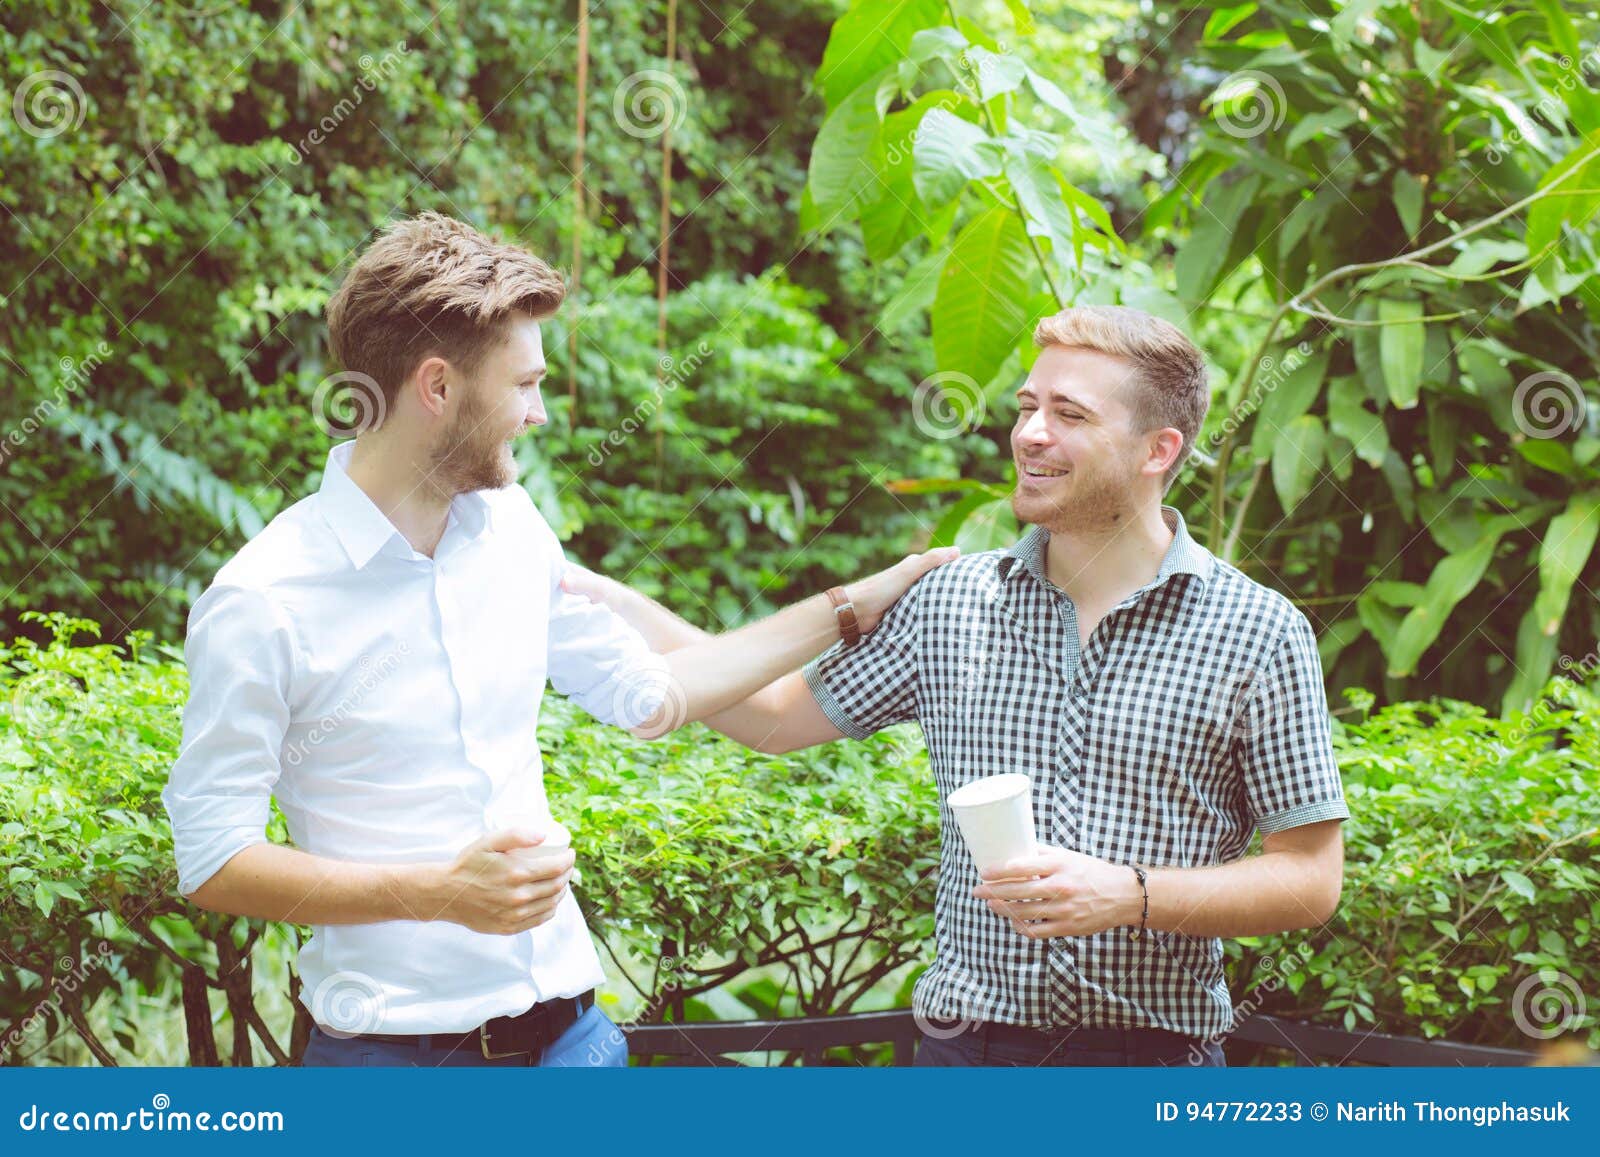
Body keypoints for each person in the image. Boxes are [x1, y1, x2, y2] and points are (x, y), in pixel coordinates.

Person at [161, 212, 955, 1068]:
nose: (539, 413)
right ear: (437, 387)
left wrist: (848, 604)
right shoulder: (265, 598)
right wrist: (438, 894)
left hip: (574, 1042)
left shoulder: (511, 528)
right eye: (526, 383)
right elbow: (213, 857)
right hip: (394, 1064)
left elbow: (649, 693)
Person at [568, 305, 1349, 1067]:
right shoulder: (951, 601)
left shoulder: (1257, 629)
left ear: (1158, 450)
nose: (1030, 433)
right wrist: (616, 603)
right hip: (965, 1053)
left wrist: (1130, 893)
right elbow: (771, 719)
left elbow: (1310, 879)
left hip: (1152, 1064)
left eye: (1069, 414)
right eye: (1028, 407)